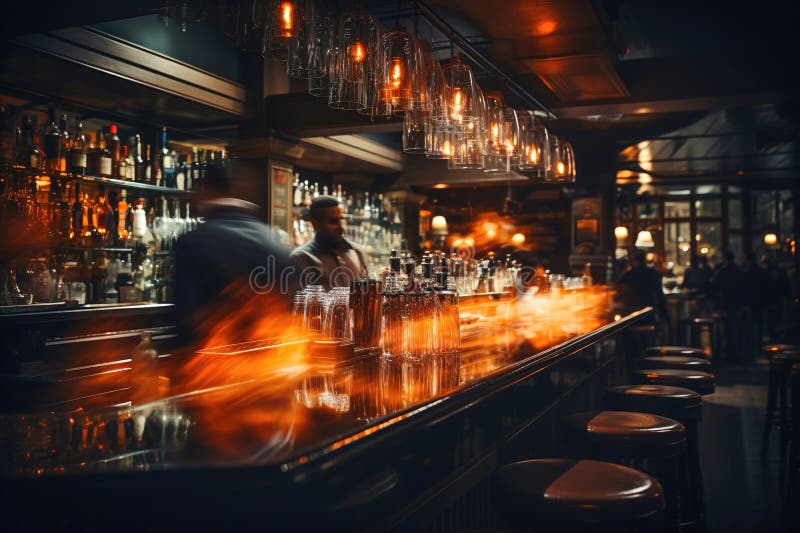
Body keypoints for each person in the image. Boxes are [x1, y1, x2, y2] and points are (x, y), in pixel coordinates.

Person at [173, 160, 293, 347]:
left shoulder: (193, 241)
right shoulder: (275, 239)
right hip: (275, 353)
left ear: (206, 189)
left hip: (217, 358)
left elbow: (188, 324)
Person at [290, 195, 369, 290]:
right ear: (315, 224)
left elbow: (367, 291)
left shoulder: (357, 252)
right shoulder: (301, 258)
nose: (341, 227)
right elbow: (298, 297)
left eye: (341, 220)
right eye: (333, 222)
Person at [709, 249, 744, 362]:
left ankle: (726, 355)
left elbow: (714, 284)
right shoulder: (738, 269)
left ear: (725, 258)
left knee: (726, 330)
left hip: (726, 304)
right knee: (735, 330)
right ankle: (735, 354)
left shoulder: (723, 270)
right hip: (736, 303)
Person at [617, 250, 668, 325]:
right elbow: (660, 296)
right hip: (651, 315)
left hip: (633, 318)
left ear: (634, 261)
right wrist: (665, 317)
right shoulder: (655, 273)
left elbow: (619, 293)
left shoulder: (629, 275)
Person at [741, 251, 768, 358]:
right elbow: (766, 287)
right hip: (760, 301)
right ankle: (759, 347)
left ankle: (751, 349)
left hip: (750, 302)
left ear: (747, 259)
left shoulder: (746, 271)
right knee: (760, 325)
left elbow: (743, 288)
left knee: (750, 326)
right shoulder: (761, 270)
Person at [762, 251, 790, 341]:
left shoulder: (766, 270)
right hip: (777, 298)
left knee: (771, 320)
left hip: (770, 299)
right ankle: (776, 335)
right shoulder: (778, 270)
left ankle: (773, 335)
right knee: (777, 318)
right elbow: (785, 285)